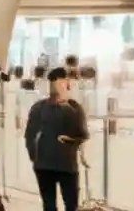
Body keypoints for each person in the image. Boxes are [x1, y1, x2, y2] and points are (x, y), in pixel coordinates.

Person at [25, 67, 89, 211]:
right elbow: (83, 135)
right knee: (68, 205)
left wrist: (35, 158)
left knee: (51, 206)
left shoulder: (40, 107)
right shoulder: (73, 108)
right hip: (62, 165)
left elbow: (29, 136)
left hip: (49, 165)